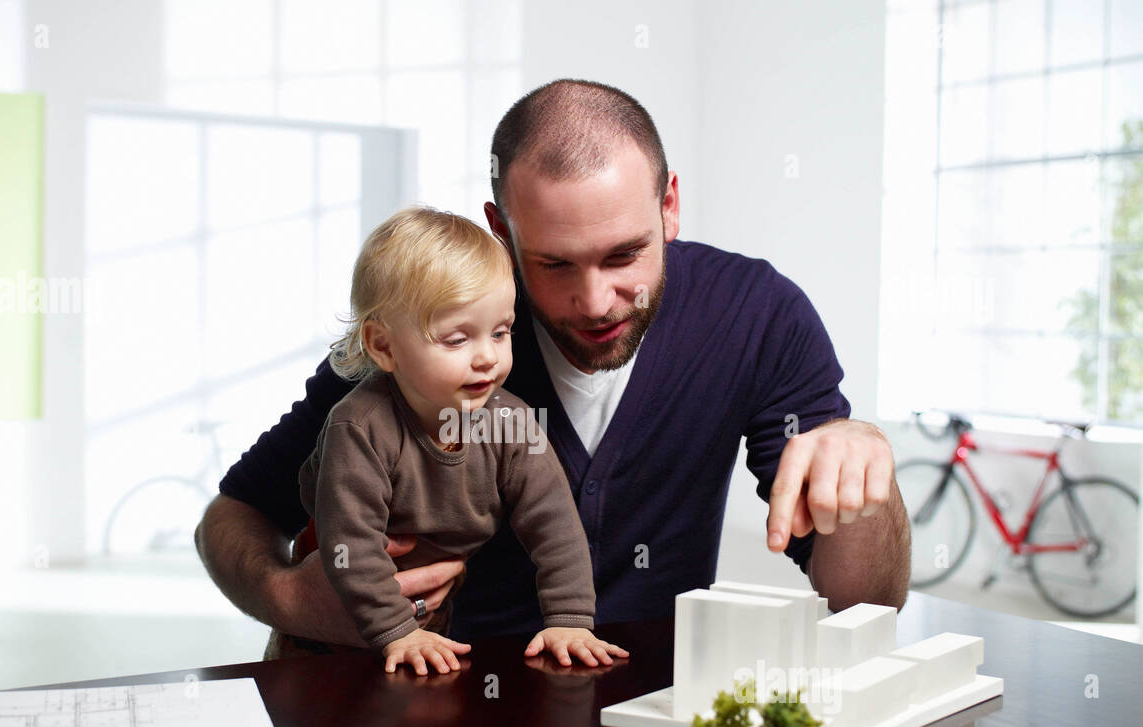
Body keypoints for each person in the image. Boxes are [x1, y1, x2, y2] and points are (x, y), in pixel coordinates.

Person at [195, 78, 911, 667]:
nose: (595, 301)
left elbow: (864, 601)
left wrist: (867, 473)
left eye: (624, 255)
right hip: (436, 708)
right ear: (500, 231)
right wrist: (289, 599)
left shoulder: (758, 316)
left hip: (647, 714)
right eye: (555, 264)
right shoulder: (425, 323)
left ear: (670, 207)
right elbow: (236, 514)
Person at [293, 205, 626, 675]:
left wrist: (570, 619)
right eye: (456, 340)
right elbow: (352, 543)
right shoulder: (360, 427)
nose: (488, 357)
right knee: (328, 724)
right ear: (384, 346)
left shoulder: (511, 424)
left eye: (501, 331)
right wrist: (396, 629)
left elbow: (555, 526)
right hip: (328, 624)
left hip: (428, 619)